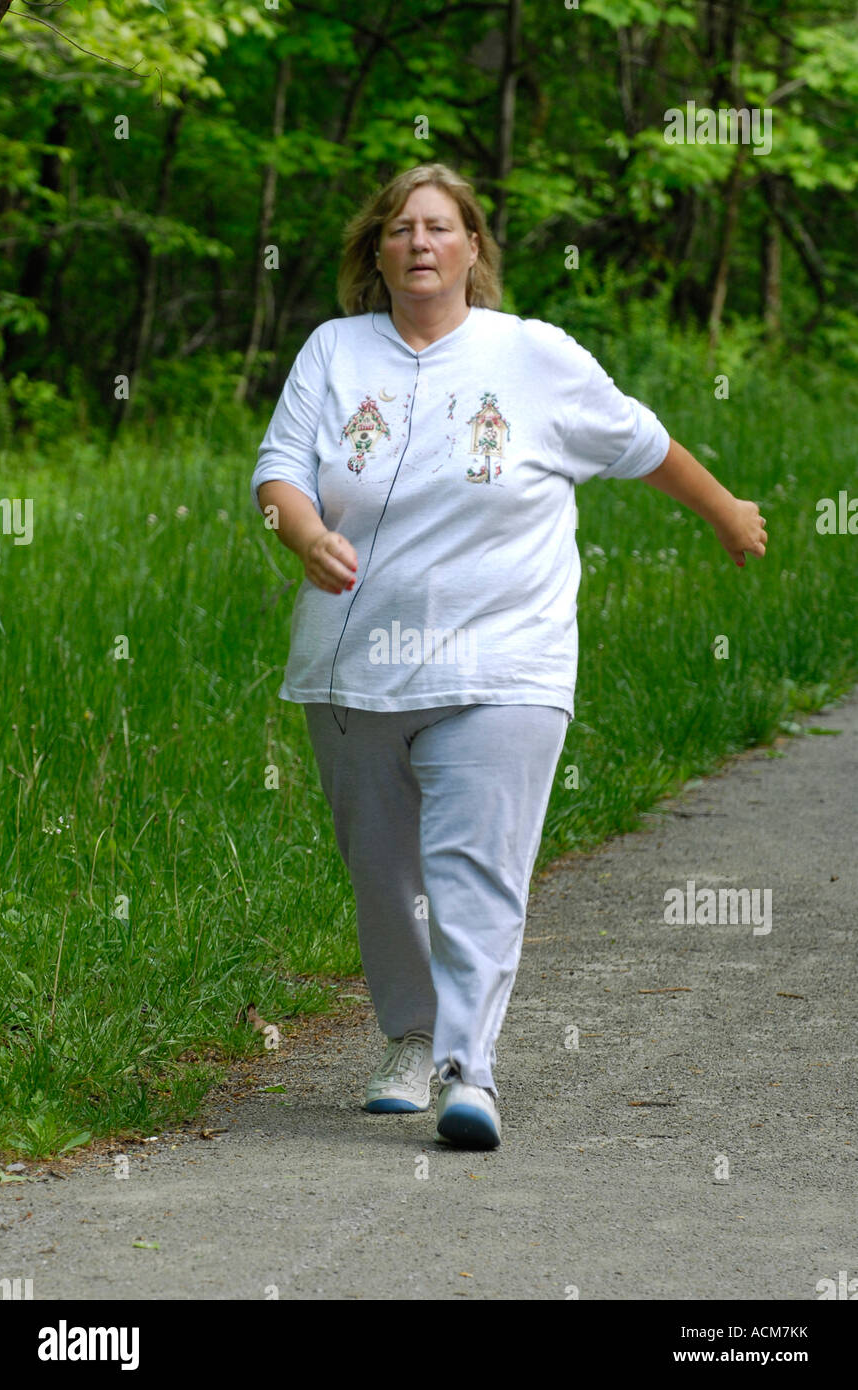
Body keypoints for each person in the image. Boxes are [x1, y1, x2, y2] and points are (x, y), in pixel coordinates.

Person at [250, 162, 767, 1150]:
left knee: (475, 868)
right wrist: (304, 532)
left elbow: (641, 440)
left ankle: (467, 1069)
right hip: (356, 665)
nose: (419, 243)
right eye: (400, 229)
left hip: (504, 662)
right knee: (383, 869)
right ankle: (410, 1036)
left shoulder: (533, 357)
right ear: (376, 251)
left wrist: (727, 513)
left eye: (440, 227)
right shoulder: (333, 351)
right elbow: (278, 469)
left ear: (473, 247)